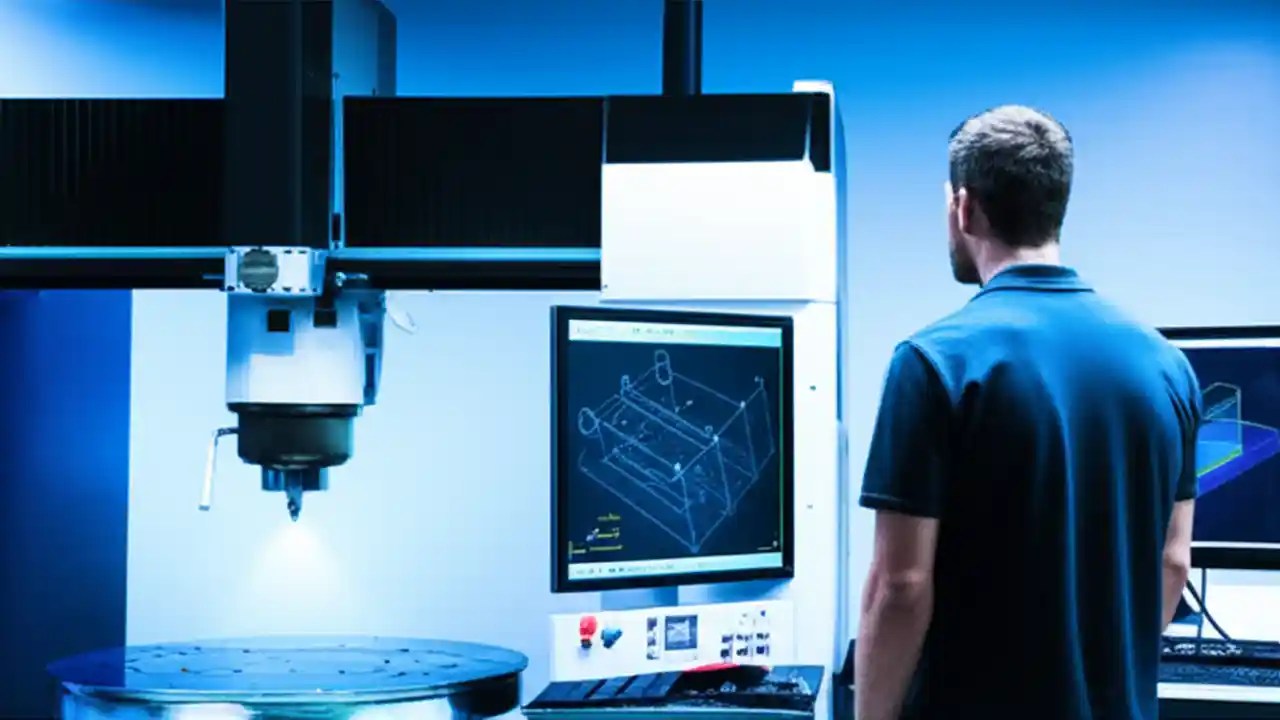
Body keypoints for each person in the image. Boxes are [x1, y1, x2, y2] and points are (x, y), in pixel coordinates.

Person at [853, 105, 1200, 720]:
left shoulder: (933, 363)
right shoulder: (1168, 366)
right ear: (1055, 207)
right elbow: (1173, 563)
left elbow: (901, 587)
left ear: (963, 207)